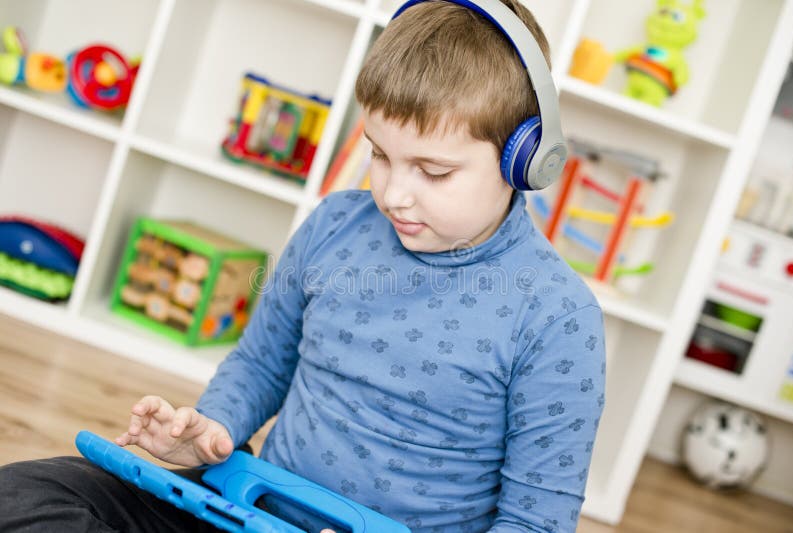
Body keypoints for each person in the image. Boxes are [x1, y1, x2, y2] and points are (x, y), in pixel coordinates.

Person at [0, 1, 605, 531]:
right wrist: (211, 429)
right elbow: (262, 361)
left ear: (524, 159)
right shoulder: (335, 224)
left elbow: (535, 520)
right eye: (380, 156)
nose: (393, 194)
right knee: (24, 496)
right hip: (242, 512)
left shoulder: (557, 317)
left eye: (434, 171)